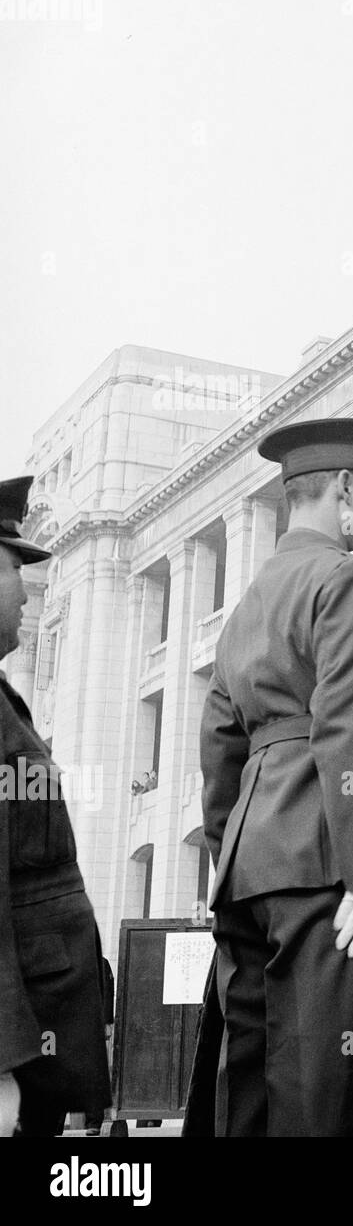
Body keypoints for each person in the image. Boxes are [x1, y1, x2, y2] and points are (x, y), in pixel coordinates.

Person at [200, 418, 353, 1136]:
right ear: (344, 490)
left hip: (251, 874)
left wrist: (231, 855)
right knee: (326, 1099)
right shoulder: (347, 577)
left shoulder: (245, 610)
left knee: (250, 1097)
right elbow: (351, 726)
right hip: (327, 867)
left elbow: (219, 749)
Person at [0, 476, 111, 1137]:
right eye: (17, 567)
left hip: (43, 1028)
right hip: (20, 1053)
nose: (25, 591)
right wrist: (4, 1062)